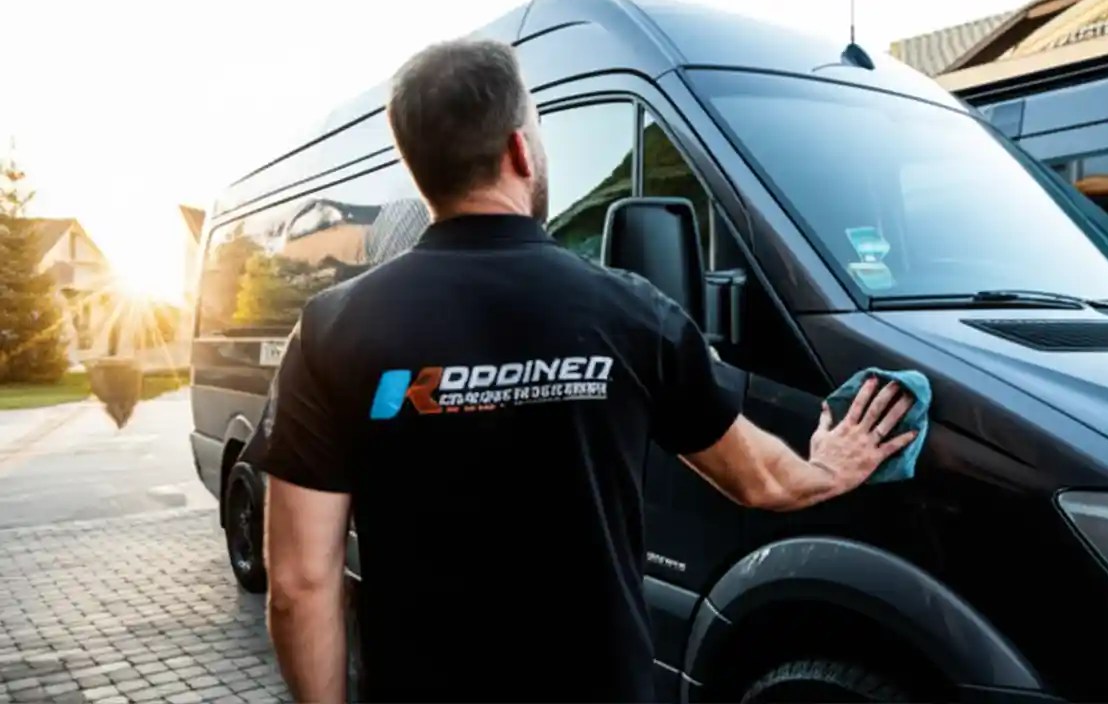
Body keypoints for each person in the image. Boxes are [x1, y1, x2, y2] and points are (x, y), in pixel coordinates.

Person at [258, 37, 918, 704]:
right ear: (520, 151)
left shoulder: (331, 329)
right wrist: (830, 466)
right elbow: (762, 481)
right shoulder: (632, 313)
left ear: (418, 166)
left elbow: (299, 584)